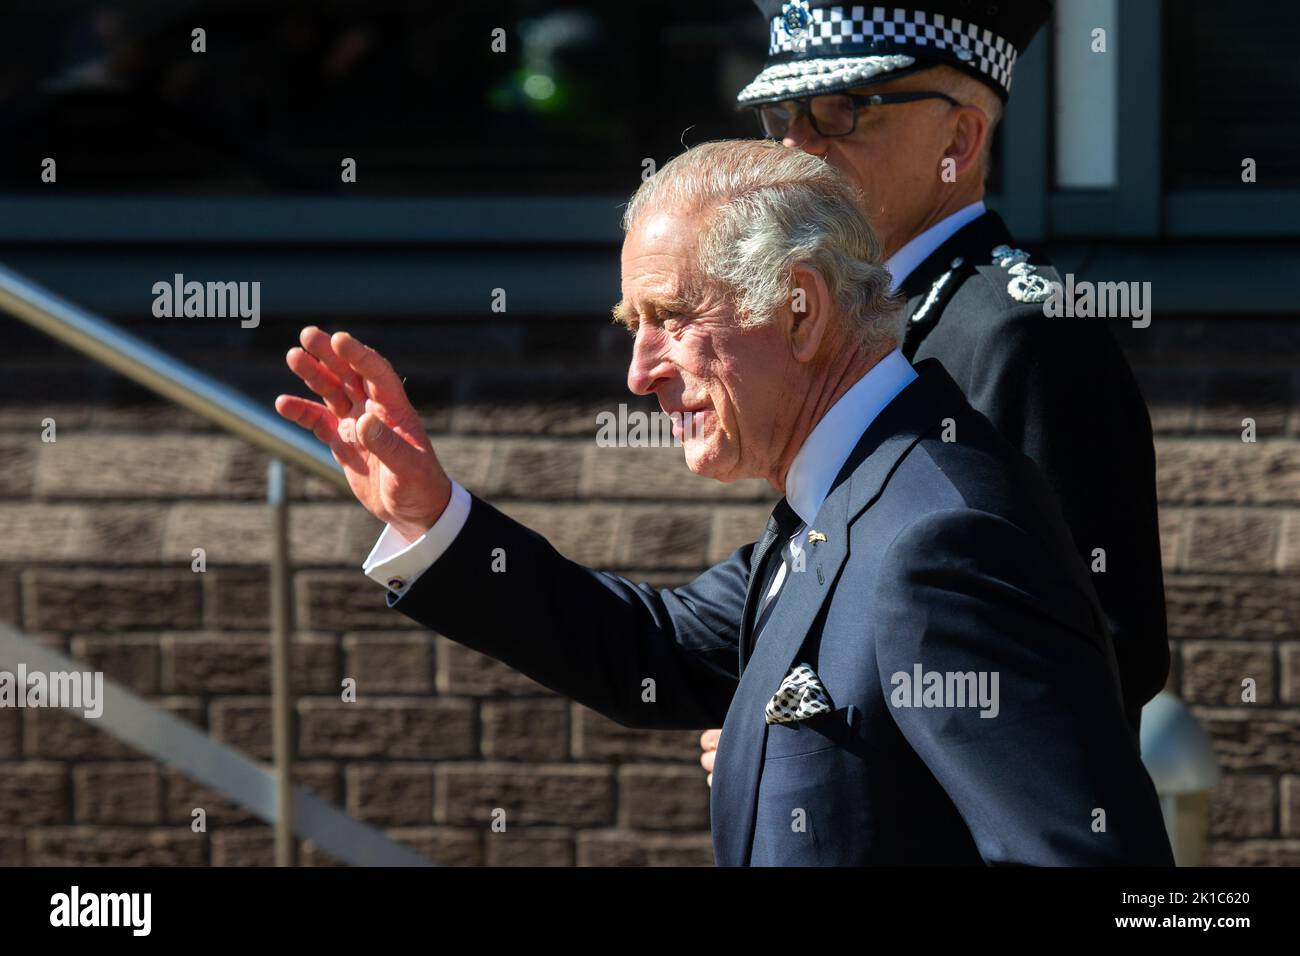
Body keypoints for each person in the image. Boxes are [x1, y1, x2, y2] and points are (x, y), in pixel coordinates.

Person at [275, 139, 1172, 866]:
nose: (639, 372)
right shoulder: (852, 495)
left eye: (671, 316)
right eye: (635, 327)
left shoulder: (939, 536)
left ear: (801, 311)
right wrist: (432, 515)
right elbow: (650, 649)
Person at [699, 0, 1169, 785]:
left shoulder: (1025, 331)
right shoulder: (862, 310)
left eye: (843, 111)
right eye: (784, 115)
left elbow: (1101, 651)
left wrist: (814, 738)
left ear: (959, 139)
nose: (796, 149)